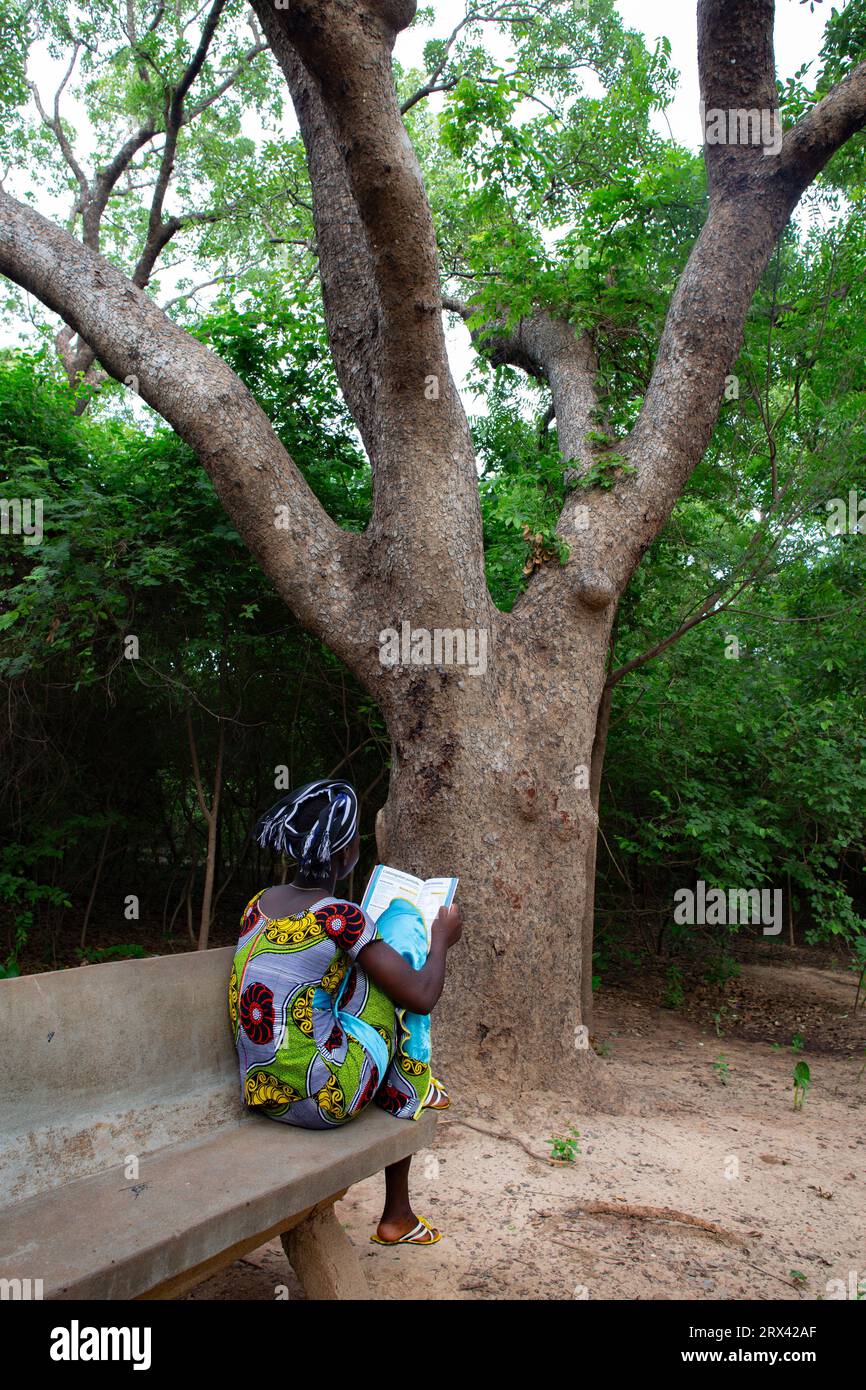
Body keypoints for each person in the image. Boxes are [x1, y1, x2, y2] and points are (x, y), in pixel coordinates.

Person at [228, 778, 463, 1246]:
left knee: (362, 978)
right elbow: (422, 995)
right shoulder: (340, 915)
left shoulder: (259, 904)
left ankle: (401, 1198)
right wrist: (441, 940)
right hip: (322, 1099)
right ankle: (398, 1203)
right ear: (346, 853)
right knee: (404, 972)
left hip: (263, 1090)